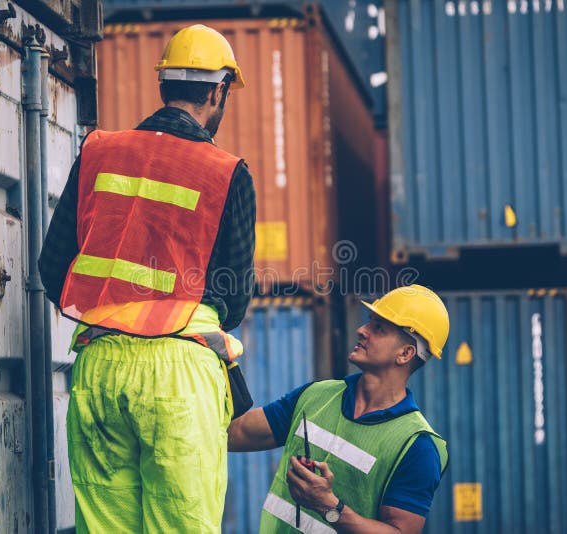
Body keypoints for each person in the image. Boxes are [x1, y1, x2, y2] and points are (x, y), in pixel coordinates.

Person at [38, 24, 256, 533]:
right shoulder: (225, 172)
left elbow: (53, 269)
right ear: (218, 90)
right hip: (179, 374)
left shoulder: (97, 151)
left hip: (98, 366)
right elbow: (233, 300)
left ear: (164, 85)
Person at [228, 285, 450, 533]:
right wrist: (218, 364)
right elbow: (235, 434)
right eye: (369, 322)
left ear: (405, 353)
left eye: (378, 328)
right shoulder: (316, 396)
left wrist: (329, 507)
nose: (362, 330)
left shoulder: (416, 445)